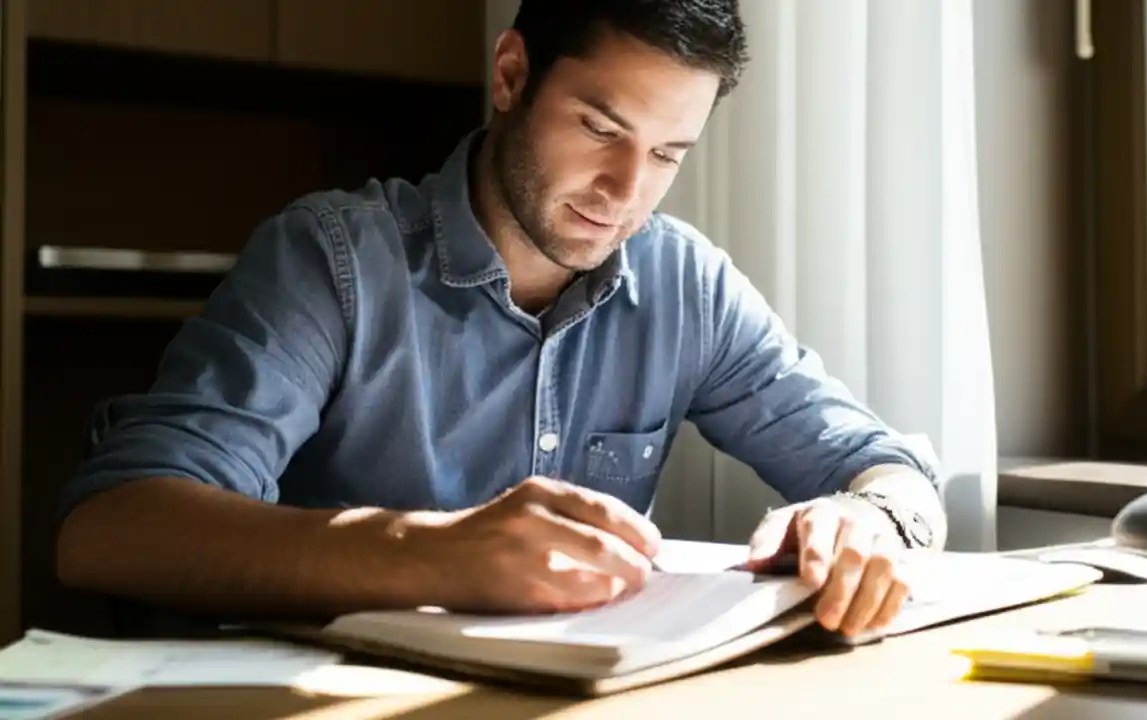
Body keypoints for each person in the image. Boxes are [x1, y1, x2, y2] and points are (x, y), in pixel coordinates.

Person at [56, 0, 947, 640]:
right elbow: (112, 529)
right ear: (512, 76)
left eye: (668, 154)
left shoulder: (685, 286)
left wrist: (875, 524)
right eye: (601, 128)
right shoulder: (331, 261)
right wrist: (431, 552)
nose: (625, 191)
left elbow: (888, 470)